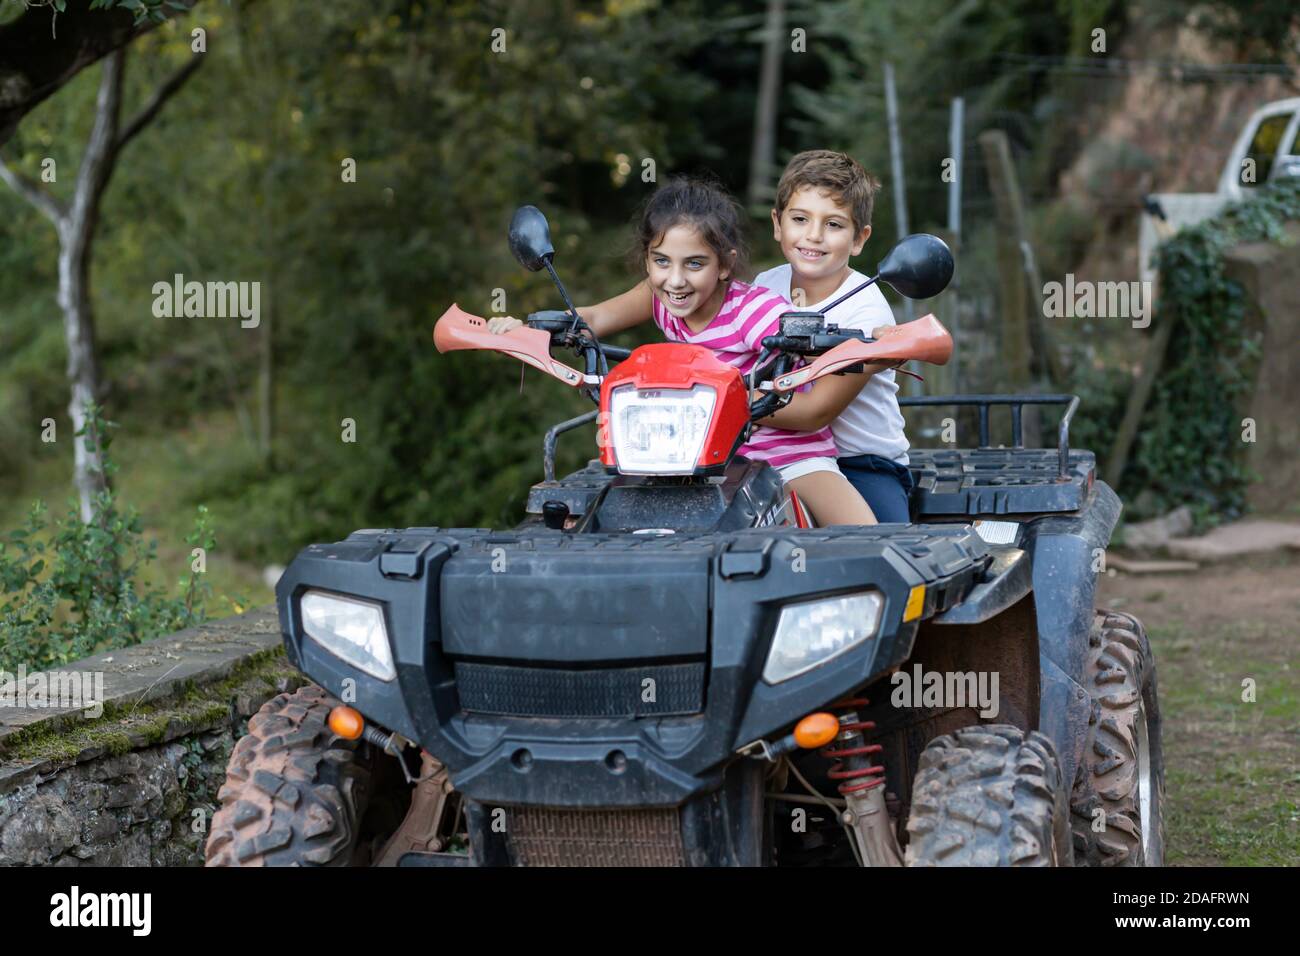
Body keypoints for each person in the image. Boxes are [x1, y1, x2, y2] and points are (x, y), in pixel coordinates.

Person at [487, 176, 876, 526]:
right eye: (661, 261)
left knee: (865, 540)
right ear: (647, 260)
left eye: (694, 264)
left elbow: (815, 350)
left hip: (787, 456)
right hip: (688, 456)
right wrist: (523, 331)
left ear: (724, 266)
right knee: (590, 524)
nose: (675, 280)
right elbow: (591, 318)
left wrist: (872, 347)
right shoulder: (660, 296)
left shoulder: (751, 310)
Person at [751, 150, 914, 523]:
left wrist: (727, 403)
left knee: (881, 550)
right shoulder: (766, 286)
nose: (814, 235)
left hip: (858, 460)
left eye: (834, 225)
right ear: (777, 224)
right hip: (778, 450)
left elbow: (817, 413)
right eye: (800, 219)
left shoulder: (866, 309)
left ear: (859, 239)